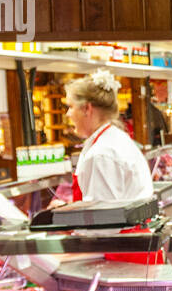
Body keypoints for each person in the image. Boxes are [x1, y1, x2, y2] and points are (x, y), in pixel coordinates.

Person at [66, 71, 154, 204]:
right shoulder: (114, 138)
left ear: (86, 109)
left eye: (70, 107)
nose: (68, 114)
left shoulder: (101, 154)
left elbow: (102, 218)